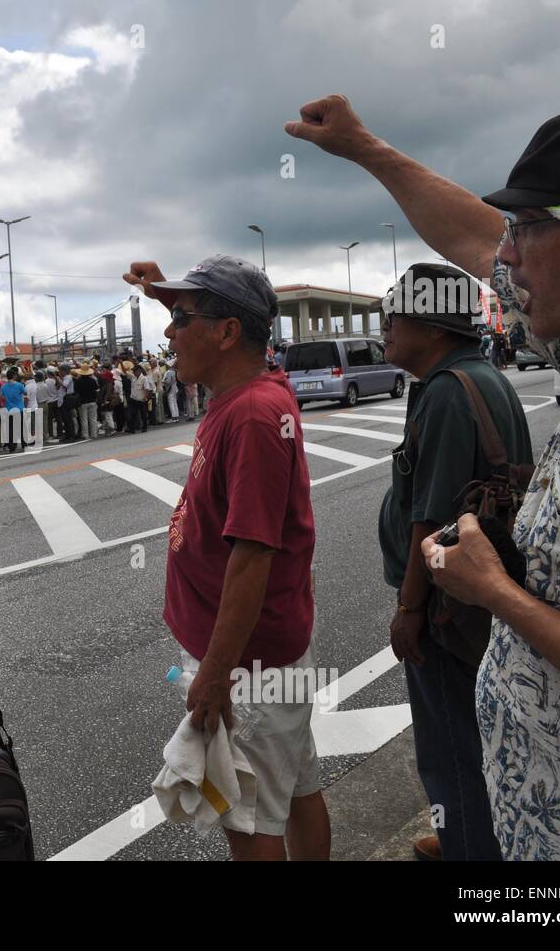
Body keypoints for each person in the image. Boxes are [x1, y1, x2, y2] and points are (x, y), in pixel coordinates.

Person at [421, 102, 560, 861]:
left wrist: (496, 591)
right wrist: (361, 148)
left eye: (529, 226)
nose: (505, 259)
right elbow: (469, 235)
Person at [126, 253, 328, 861]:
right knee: (296, 790)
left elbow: (251, 556)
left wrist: (216, 674)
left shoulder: (252, 416)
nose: (167, 333)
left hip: (247, 666)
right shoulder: (252, 389)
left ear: (227, 332)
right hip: (265, 654)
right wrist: (168, 292)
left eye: (180, 319)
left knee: (248, 825)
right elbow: (207, 320)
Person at [283, 93, 560, 399]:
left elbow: (482, 240)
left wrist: (362, 145)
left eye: (529, 227)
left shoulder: (452, 393)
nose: (507, 253)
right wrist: (360, 144)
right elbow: (477, 238)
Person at [377, 263, 533, 862]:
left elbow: (430, 520)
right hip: (485, 593)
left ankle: (470, 849)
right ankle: (470, 836)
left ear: (435, 326)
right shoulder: (480, 374)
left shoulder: (445, 391)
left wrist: (409, 609)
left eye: (397, 316)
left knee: (449, 744)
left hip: (448, 605)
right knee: (483, 733)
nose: (386, 328)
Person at [73, 363, 99, 440]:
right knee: (93, 418)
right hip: (92, 401)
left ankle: (85, 435)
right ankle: (94, 434)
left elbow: (76, 392)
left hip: (82, 402)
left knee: (84, 419)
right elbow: (97, 390)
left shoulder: (78, 381)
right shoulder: (92, 380)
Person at [127, 363, 151, 433]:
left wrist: (145, 397)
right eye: (133, 371)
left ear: (139, 371)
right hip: (133, 399)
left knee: (143, 414)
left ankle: (144, 427)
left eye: (135, 371)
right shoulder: (133, 377)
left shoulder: (144, 378)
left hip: (141, 399)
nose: (133, 372)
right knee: (132, 414)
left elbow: (147, 389)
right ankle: (132, 429)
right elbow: (125, 372)